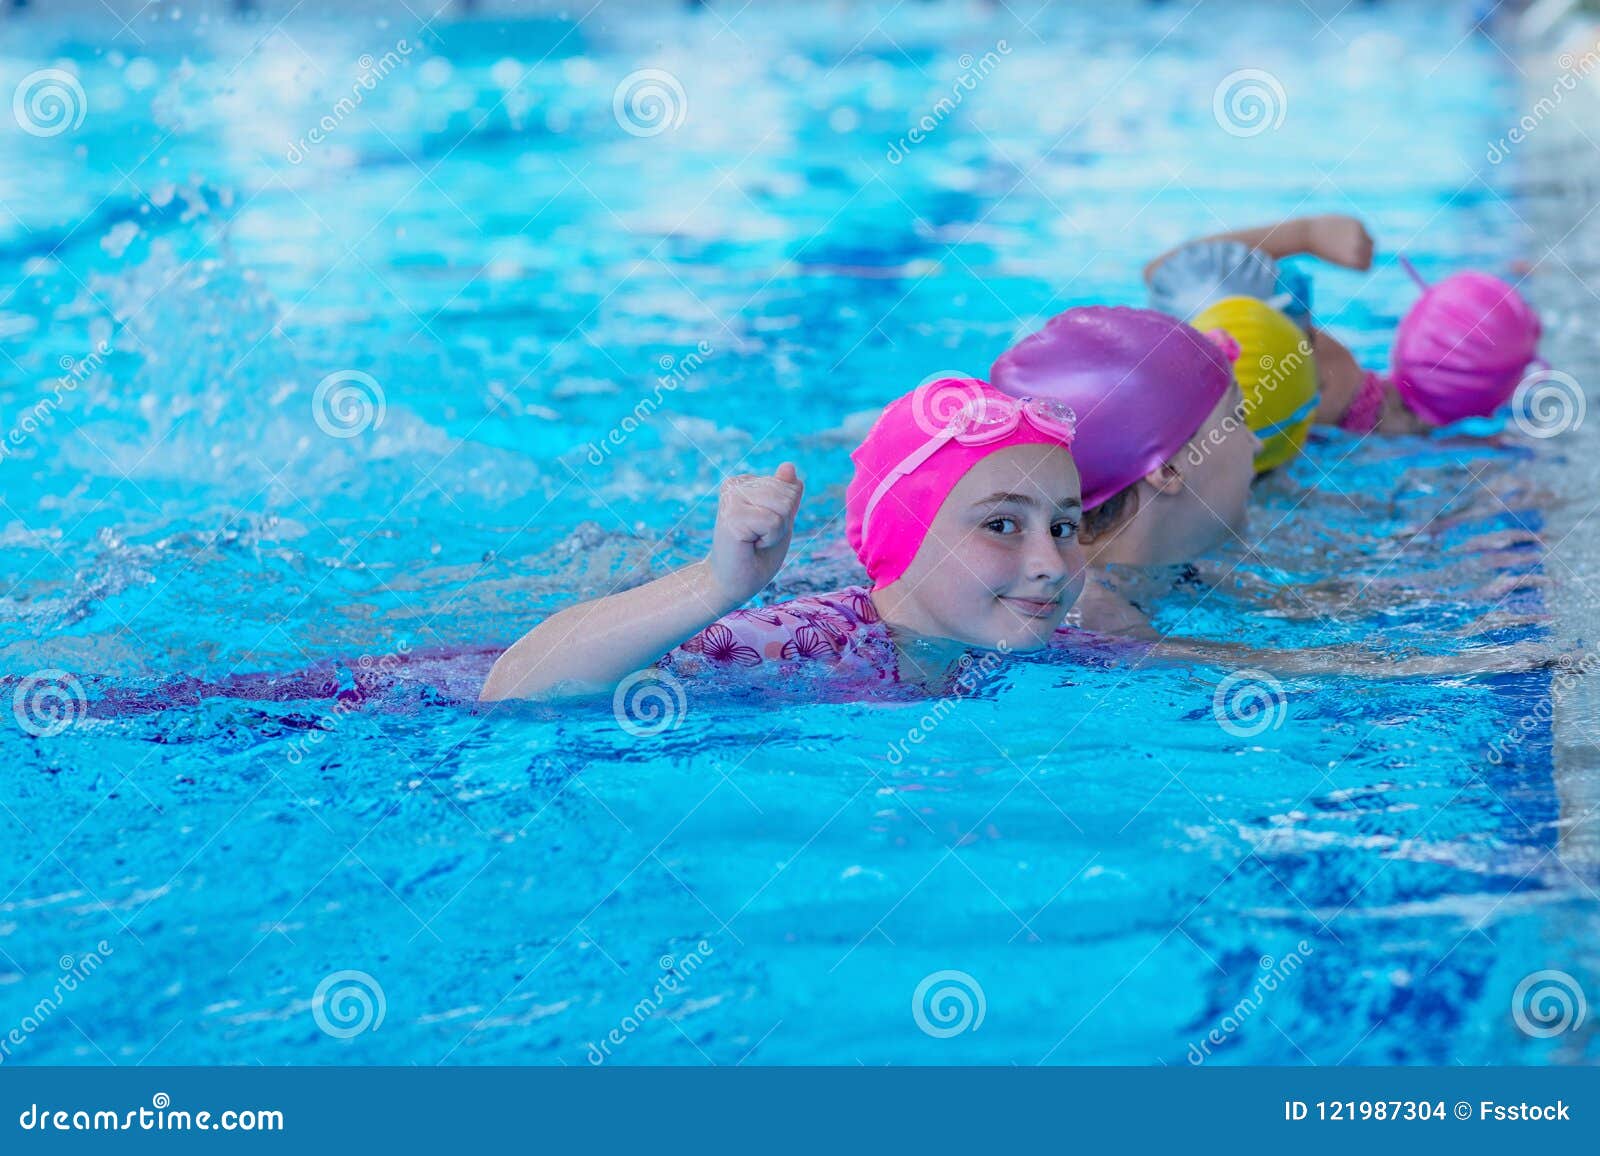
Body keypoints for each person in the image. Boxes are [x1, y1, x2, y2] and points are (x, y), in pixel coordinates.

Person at [479, 380, 1087, 700]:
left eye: (1064, 527)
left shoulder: (1007, 642)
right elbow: (513, 690)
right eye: (1002, 524)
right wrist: (718, 585)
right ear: (907, 540)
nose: (1050, 563)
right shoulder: (807, 643)